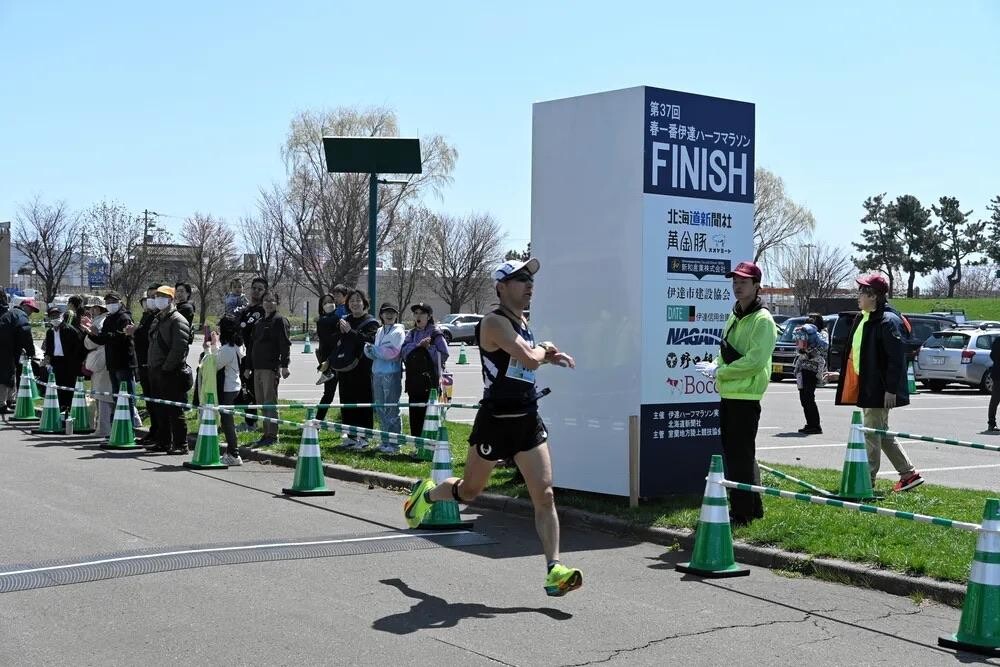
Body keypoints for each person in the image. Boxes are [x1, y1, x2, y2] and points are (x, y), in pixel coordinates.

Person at [403, 258, 583, 597]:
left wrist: (546, 354)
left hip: (527, 418)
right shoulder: (493, 322)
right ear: (501, 287)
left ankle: (553, 569)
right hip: (495, 421)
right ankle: (426, 494)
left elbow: (525, 360)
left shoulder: (522, 322)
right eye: (520, 280)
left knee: (544, 495)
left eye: (531, 280)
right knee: (470, 492)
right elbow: (529, 358)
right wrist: (545, 349)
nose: (529, 285)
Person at [695, 261, 777, 527]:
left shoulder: (762, 320)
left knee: (740, 456)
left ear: (756, 286)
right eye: (735, 282)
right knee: (738, 454)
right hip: (730, 394)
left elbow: (755, 361)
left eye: (743, 282)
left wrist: (721, 372)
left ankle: (742, 514)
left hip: (746, 396)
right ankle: (753, 507)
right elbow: (726, 349)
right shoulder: (735, 314)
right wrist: (717, 366)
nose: (737, 286)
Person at [834, 274, 923, 492]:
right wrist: (842, 375)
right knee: (879, 432)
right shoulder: (867, 318)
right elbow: (861, 354)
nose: (858, 297)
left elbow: (895, 360)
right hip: (869, 385)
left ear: (873, 296)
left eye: (861, 293)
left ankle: (867, 481)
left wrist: (891, 390)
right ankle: (909, 475)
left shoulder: (887, 321)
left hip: (880, 388)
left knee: (872, 434)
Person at [83, 291, 140, 427]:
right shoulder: (109, 318)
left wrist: (103, 334)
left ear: (120, 302)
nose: (110, 305)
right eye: (108, 302)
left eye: (113, 302)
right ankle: (118, 427)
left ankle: (130, 426)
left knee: (127, 397)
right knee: (116, 397)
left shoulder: (124, 317)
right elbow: (103, 339)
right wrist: (92, 334)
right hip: (112, 362)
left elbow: (121, 338)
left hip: (124, 362)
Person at [146, 286, 192, 454]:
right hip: (155, 370)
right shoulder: (158, 318)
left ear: (171, 300)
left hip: (170, 372)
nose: (158, 299)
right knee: (160, 409)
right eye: (157, 296)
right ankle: (163, 441)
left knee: (174, 409)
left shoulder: (177, 320)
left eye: (163, 296)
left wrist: (167, 367)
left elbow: (179, 348)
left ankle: (181, 444)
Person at [335, 289, 379, 449]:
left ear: (364, 303)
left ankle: (365, 437)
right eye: (351, 301)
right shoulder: (344, 320)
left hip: (363, 368)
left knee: (363, 401)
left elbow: (369, 342)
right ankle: (351, 436)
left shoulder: (371, 322)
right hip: (346, 367)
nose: (355, 303)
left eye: (358, 300)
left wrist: (350, 332)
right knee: (347, 401)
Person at [401, 303, 449, 437]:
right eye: (416, 313)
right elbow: (403, 352)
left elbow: (444, 354)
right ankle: (417, 445)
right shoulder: (411, 333)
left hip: (430, 382)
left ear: (429, 316)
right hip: (414, 381)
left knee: (429, 414)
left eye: (422, 313)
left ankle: (430, 445)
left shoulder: (436, 333)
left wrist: (428, 348)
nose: (418, 316)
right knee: (415, 414)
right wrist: (418, 345)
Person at [249, 291, 290, 447]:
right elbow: (253, 344)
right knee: (260, 402)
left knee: (269, 401)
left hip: (270, 367)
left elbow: (285, 344)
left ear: (277, 303)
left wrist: (285, 365)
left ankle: (272, 435)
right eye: (266, 300)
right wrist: (248, 367)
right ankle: (265, 433)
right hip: (257, 367)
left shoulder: (280, 321)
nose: (268, 303)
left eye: (272, 300)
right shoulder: (259, 322)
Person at [365, 303, 405, 452]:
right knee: (380, 407)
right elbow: (376, 353)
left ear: (396, 315)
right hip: (377, 373)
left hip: (391, 374)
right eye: (386, 312)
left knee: (391, 408)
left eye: (392, 313)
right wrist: (369, 350)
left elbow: (393, 354)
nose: (389, 315)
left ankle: (394, 443)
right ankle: (385, 441)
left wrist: (374, 350)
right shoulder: (380, 331)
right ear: (381, 315)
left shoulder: (398, 331)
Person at [236, 276, 268, 431]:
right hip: (244, 353)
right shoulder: (246, 310)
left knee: (255, 390)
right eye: (254, 288)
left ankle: (255, 422)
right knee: (246, 388)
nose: (256, 291)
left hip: (257, 356)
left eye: (260, 289)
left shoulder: (263, 311)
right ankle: (249, 421)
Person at [42, 304, 85, 414]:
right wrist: (47, 360)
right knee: (58, 388)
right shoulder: (50, 332)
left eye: (57, 315)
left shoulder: (70, 330)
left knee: (69, 387)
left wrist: (76, 362)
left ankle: (68, 411)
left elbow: (79, 348)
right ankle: (60, 410)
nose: (55, 318)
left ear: (61, 316)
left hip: (70, 363)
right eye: (52, 316)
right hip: (56, 362)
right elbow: (49, 349)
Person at [81, 298, 114, 437]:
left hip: (102, 361)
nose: (91, 310)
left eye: (94, 308)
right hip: (100, 361)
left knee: (103, 396)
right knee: (103, 395)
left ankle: (103, 428)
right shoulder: (99, 320)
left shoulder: (101, 321)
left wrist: (89, 333)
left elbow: (93, 342)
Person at [793, 313, 829, 435]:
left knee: (808, 397)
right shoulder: (804, 333)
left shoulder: (823, 334)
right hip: (802, 369)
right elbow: (798, 349)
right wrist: (802, 350)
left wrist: (807, 353)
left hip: (812, 369)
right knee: (803, 397)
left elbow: (823, 349)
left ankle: (815, 425)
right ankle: (810, 423)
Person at [133, 285, 161, 445]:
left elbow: (146, 336)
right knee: (149, 400)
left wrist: (136, 332)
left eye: (154, 297)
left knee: (157, 401)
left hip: (153, 362)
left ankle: (160, 434)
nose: (150, 301)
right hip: (143, 361)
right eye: (148, 297)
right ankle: (154, 431)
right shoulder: (147, 315)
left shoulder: (159, 317)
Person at [215, 315, 244, 465]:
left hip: (228, 387)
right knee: (227, 421)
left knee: (227, 422)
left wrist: (212, 347)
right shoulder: (238, 346)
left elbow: (215, 364)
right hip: (234, 385)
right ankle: (231, 452)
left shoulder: (227, 349)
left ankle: (234, 453)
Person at [0, 292, 36, 411]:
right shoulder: (21, 315)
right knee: (6, 374)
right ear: (24, 307)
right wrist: (31, 351)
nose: (31, 313)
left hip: (7, 347)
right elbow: (25, 331)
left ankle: (10, 400)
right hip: (5, 348)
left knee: (11, 372)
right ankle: (2, 403)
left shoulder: (11, 314)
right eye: (31, 310)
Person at [314, 293, 341, 423]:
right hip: (330, 361)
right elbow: (327, 341)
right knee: (329, 394)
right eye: (325, 303)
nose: (328, 304)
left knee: (341, 395)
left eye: (331, 301)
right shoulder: (324, 320)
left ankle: (319, 421)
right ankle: (318, 421)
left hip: (340, 360)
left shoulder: (338, 317)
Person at [988, 336, 1000, 432]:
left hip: (997, 373)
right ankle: (991, 423)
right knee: (995, 400)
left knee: (995, 400)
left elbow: (992, 355)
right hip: (998, 374)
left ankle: (991, 423)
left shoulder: (997, 340)